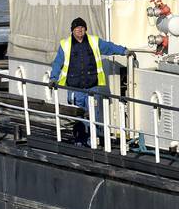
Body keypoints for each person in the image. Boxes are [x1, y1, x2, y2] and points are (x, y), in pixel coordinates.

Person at [49, 17, 130, 147]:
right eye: (77, 28)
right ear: (72, 30)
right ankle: (80, 139)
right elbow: (57, 63)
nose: (80, 30)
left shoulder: (94, 41)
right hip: (76, 88)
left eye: (82, 28)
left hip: (93, 87)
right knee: (79, 115)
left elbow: (109, 47)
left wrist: (124, 51)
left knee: (95, 115)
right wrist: (53, 78)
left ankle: (93, 140)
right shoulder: (65, 45)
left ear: (85, 29)